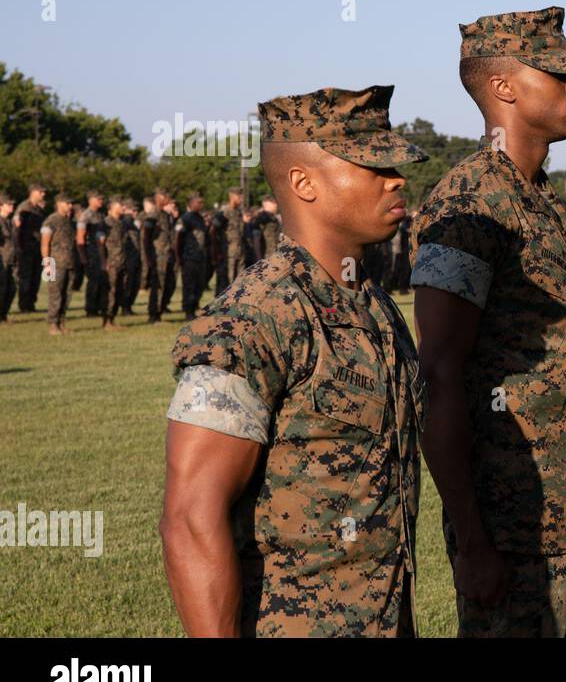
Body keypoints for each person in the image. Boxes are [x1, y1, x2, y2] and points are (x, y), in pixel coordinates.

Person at [160, 84, 428, 637]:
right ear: (302, 182)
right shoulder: (254, 317)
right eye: (370, 165)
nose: (397, 178)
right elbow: (189, 519)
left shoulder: (375, 306)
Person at [410, 6, 566, 638]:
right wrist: (471, 538)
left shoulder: (548, 203)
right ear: (504, 89)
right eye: (558, 74)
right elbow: (438, 375)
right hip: (514, 528)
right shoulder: (471, 204)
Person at [41, 194, 76, 335]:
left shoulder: (68, 221)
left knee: (66, 294)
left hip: (69, 262)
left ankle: (61, 323)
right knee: (55, 295)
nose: (70, 206)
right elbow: (45, 244)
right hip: (55, 263)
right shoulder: (51, 221)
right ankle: (53, 325)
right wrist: (47, 263)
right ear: (59, 203)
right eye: (67, 203)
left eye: (71, 203)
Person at [14, 184, 47, 313]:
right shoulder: (24, 208)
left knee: (35, 277)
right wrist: (19, 249)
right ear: (33, 192)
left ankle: (31, 304)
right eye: (41, 192)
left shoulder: (38, 209)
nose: (43, 194)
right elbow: (17, 230)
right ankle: (24, 305)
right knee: (26, 278)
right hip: (26, 249)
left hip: (36, 248)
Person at [77, 190, 107, 317]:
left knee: (102, 280)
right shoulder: (86, 216)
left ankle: (100, 306)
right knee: (93, 282)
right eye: (98, 199)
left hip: (101, 252)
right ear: (91, 200)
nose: (101, 201)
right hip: (91, 252)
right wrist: (83, 257)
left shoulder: (100, 214)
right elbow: (80, 238)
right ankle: (91, 309)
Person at [177, 193, 207, 320]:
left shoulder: (200, 218)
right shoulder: (185, 218)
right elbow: (178, 238)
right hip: (189, 257)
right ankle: (188, 311)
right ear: (191, 203)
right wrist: (179, 256)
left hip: (200, 257)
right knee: (189, 284)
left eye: (202, 202)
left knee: (199, 284)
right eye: (198, 202)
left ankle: (195, 307)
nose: (201, 205)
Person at [151, 191, 178, 321]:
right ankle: (154, 315)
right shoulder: (153, 215)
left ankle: (161, 311)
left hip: (168, 255)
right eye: (165, 197)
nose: (168, 198)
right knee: (158, 286)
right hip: (158, 256)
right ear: (158, 199)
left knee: (169, 284)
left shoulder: (165, 215)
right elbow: (145, 237)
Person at [101, 196, 127, 330]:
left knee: (118, 292)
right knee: (110, 292)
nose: (123, 207)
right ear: (112, 207)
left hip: (121, 262)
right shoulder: (106, 222)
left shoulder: (120, 223)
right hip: (111, 263)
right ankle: (106, 321)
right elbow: (100, 244)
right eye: (121, 205)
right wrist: (103, 261)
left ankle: (112, 319)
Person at [0, 195, 15, 322]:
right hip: (2, 260)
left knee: (11, 289)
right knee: (2, 288)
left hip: (10, 259)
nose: (12, 206)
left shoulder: (10, 221)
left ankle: (3, 315)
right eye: (8, 204)